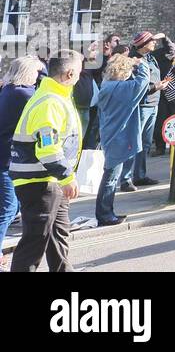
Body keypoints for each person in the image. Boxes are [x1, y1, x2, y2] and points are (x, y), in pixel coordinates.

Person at [9, 50, 83, 273]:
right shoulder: (50, 102)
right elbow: (48, 148)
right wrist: (67, 177)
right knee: (36, 240)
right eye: (79, 73)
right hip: (39, 181)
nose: (80, 77)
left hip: (48, 179)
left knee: (58, 236)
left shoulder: (55, 97)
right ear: (69, 74)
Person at [91, 53, 151, 226]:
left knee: (111, 176)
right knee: (110, 178)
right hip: (117, 136)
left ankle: (106, 212)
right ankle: (104, 215)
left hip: (111, 134)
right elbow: (142, 83)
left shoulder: (108, 84)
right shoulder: (119, 89)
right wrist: (141, 65)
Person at [0, 56, 43, 271]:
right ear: (28, 73)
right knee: (8, 209)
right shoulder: (24, 94)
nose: (38, 77)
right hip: (7, 159)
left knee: (12, 206)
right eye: (36, 72)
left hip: (5, 156)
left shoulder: (9, 89)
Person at [122, 31, 164, 189]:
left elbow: (170, 50)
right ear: (144, 44)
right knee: (134, 142)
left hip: (153, 104)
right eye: (152, 41)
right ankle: (125, 179)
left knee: (145, 143)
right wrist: (155, 87)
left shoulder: (150, 57)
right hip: (141, 106)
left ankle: (139, 175)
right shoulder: (134, 60)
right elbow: (133, 86)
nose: (154, 43)